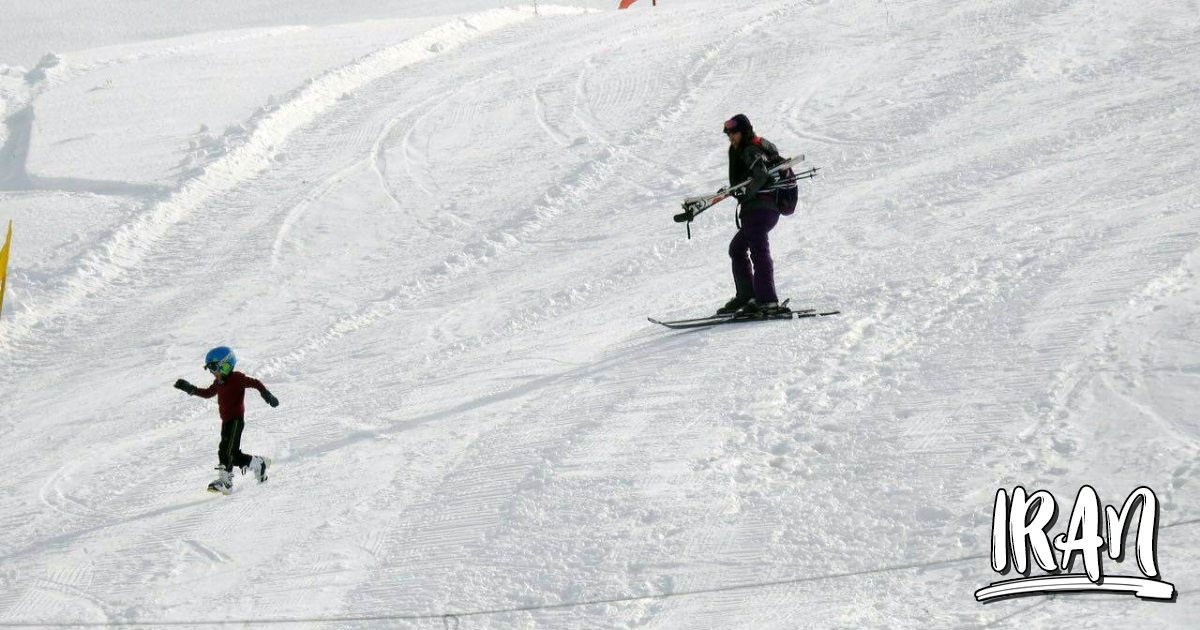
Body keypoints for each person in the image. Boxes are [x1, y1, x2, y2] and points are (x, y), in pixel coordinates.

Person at [174, 346, 279, 494]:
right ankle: (258, 464)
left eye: (214, 367)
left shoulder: (237, 378)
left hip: (236, 421)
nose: (212, 372)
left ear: (225, 364)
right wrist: (191, 389)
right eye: (210, 369)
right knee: (232, 454)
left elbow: (255, 383)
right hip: (226, 422)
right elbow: (208, 393)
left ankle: (226, 482)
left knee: (227, 451)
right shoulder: (218, 383)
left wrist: (267, 395)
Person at [717, 113, 791, 317]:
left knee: (758, 252)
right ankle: (748, 296)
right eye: (729, 134)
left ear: (744, 131)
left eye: (734, 132)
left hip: (759, 209)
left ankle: (767, 301)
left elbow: (761, 175)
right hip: (762, 210)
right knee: (737, 249)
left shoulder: (750, 150)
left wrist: (745, 192)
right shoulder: (754, 148)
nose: (731, 137)